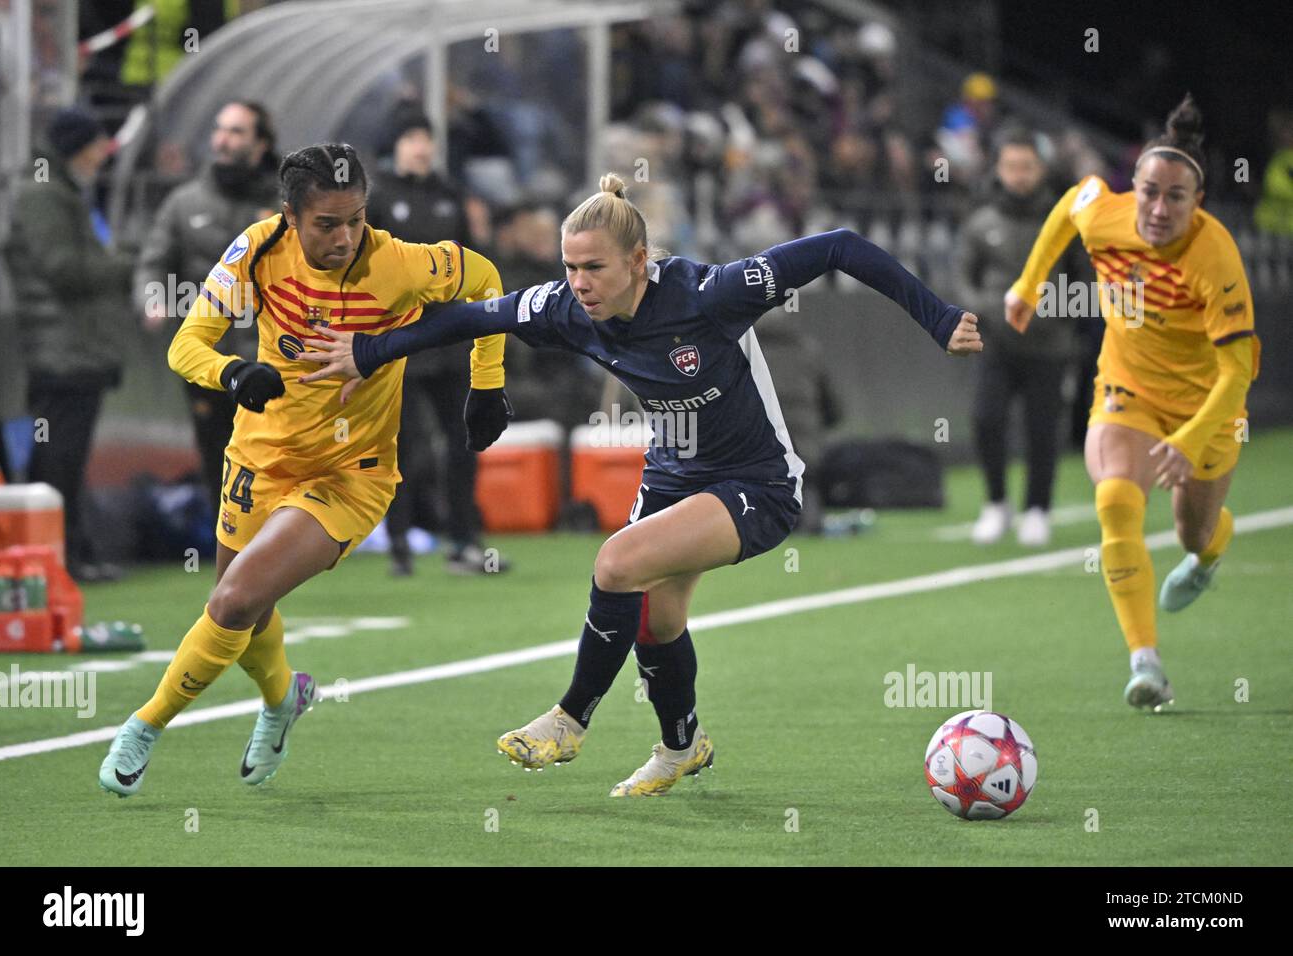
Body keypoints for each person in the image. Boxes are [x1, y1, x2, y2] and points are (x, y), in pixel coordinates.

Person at [298, 174, 982, 796]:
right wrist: (368, 350)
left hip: (758, 483)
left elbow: (838, 245)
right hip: (672, 475)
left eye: (594, 267)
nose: (580, 282)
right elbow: (473, 316)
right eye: (570, 267)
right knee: (656, 620)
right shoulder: (566, 308)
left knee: (616, 563)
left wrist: (940, 317)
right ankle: (681, 747)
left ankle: (569, 718)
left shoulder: (712, 295)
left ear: (639, 261)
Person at [97, 144, 512, 797]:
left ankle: (146, 725)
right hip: (260, 457)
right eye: (327, 223)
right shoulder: (258, 249)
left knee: (231, 600)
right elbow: (186, 345)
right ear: (289, 216)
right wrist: (234, 373)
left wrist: (485, 383)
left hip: (351, 472)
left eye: (356, 218)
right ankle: (283, 699)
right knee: (250, 609)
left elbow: (487, 280)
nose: (346, 236)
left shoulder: (402, 264)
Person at [1006, 95, 1259, 711]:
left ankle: (1210, 550)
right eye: (1149, 191)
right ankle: (1145, 662)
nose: (1157, 208)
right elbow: (1069, 205)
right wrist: (1028, 284)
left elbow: (1239, 369)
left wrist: (1191, 439)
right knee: (1116, 499)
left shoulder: (1214, 256)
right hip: (1129, 388)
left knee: (1191, 531)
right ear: (1135, 187)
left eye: (1176, 197)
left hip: (1208, 406)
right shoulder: (1107, 211)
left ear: (1198, 204)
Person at [364, 109, 504, 576]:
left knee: (465, 437)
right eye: (411, 137)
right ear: (395, 146)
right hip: (397, 340)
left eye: (426, 137)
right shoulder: (378, 197)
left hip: (448, 337)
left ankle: (464, 542)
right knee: (401, 446)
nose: (421, 146)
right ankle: (399, 544)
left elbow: (471, 263)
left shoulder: (450, 195)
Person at [3, 106, 133, 582]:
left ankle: (68, 554)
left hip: (73, 349)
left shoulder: (55, 190)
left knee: (63, 457)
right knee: (57, 457)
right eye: (99, 144)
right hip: (60, 351)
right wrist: (123, 265)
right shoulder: (43, 194)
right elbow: (63, 269)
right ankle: (54, 558)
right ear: (78, 146)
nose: (103, 155)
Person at [134, 100, 280, 504]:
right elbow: (153, 262)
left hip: (271, 355)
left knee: (272, 458)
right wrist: (152, 298)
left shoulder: (285, 203)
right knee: (217, 457)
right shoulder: (184, 203)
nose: (223, 139)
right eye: (220, 129)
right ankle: (229, 558)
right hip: (209, 358)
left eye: (237, 131)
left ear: (261, 143)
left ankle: (277, 553)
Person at [957, 126, 1085, 547]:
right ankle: (996, 502)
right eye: (1011, 165)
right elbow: (963, 278)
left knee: (1043, 429)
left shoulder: (1065, 221)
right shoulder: (981, 222)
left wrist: (1055, 316)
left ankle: (1037, 509)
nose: (1018, 175)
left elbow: (1084, 280)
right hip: (995, 342)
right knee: (986, 418)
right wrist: (989, 311)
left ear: (1042, 169)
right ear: (998, 167)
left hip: (1049, 345)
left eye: (1026, 166)